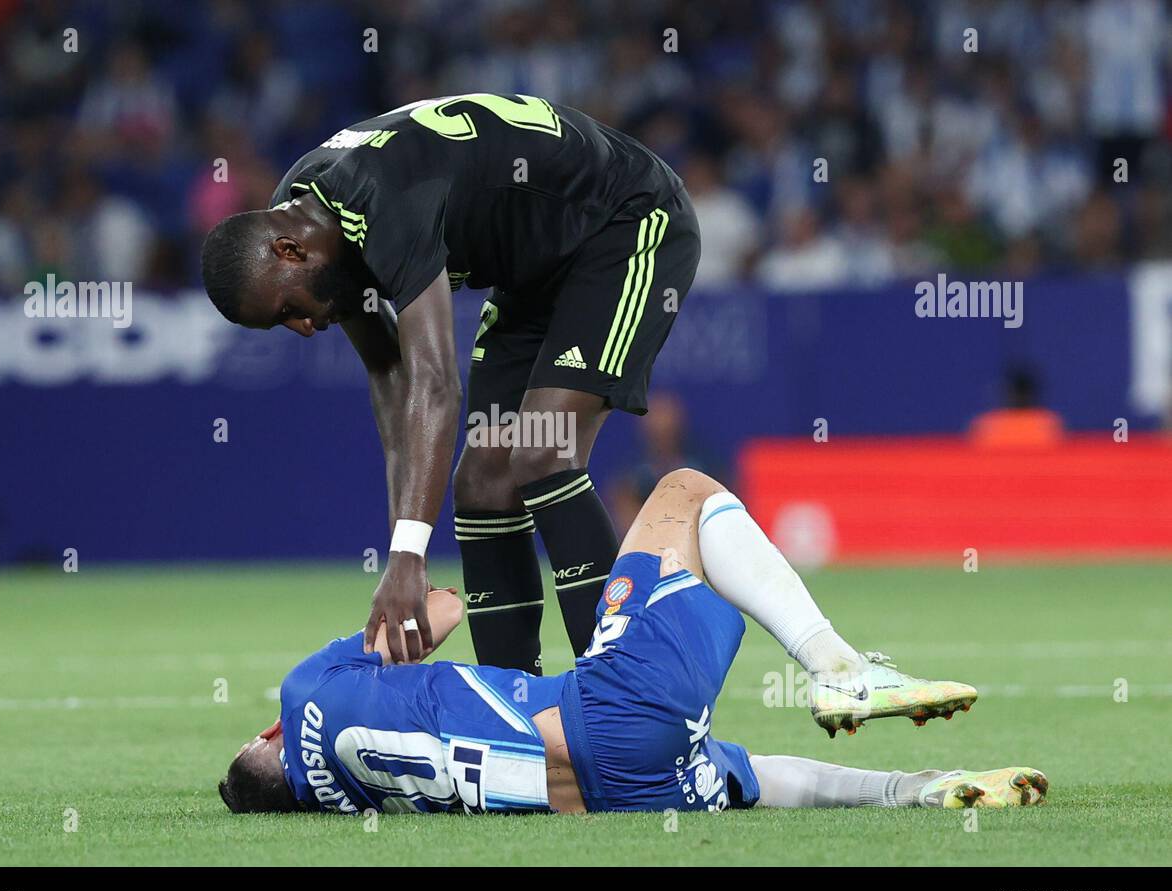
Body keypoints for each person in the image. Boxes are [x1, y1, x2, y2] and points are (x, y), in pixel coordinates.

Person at [200, 94, 702, 675]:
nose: (306, 328)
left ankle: (626, 692)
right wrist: (400, 551)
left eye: (291, 308)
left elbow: (435, 382)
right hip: (534, 270)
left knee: (542, 451)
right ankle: (513, 708)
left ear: (289, 250)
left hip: (626, 222)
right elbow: (392, 373)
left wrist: (410, 556)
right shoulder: (311, 211)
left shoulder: (381, 197)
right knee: (483, 482)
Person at [220, 469, 1045, 815]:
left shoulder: (349, 799)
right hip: (602, 710)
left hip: (617, 792)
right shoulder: (305, 692)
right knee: (689, 497)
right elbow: (439, 607)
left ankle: (915, 789)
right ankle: (841, 668)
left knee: (743, 769)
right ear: (268, 734)